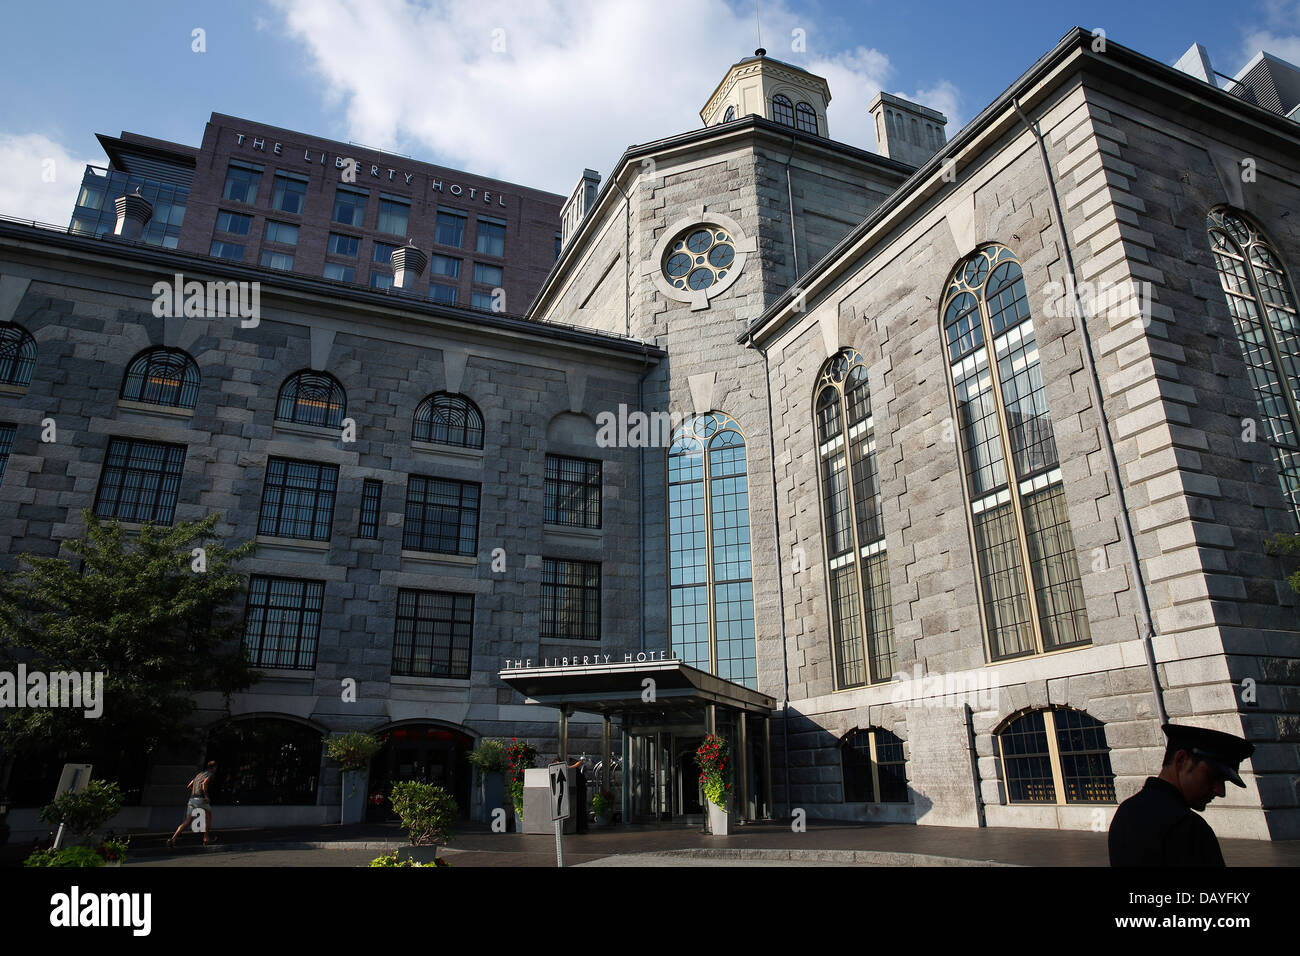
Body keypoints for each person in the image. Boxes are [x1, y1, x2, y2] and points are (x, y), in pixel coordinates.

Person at [1108, 723, 1254, 866]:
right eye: (1213, 776)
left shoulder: (1126, 810)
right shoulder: (1188, 827)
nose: (1221, 791)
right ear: (1181, 760)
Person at [168, 761, 218, 848]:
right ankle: (206, 838)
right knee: (208, 816)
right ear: (213, 767)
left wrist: (195, 793)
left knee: (187, 822)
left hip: (192, 799)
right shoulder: (210, 774)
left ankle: (173, 839)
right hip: (201, 799)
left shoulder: (199, 774)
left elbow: (189, 785)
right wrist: (206, 796)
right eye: (216, 767)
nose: (216, 769)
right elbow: (204, 784)